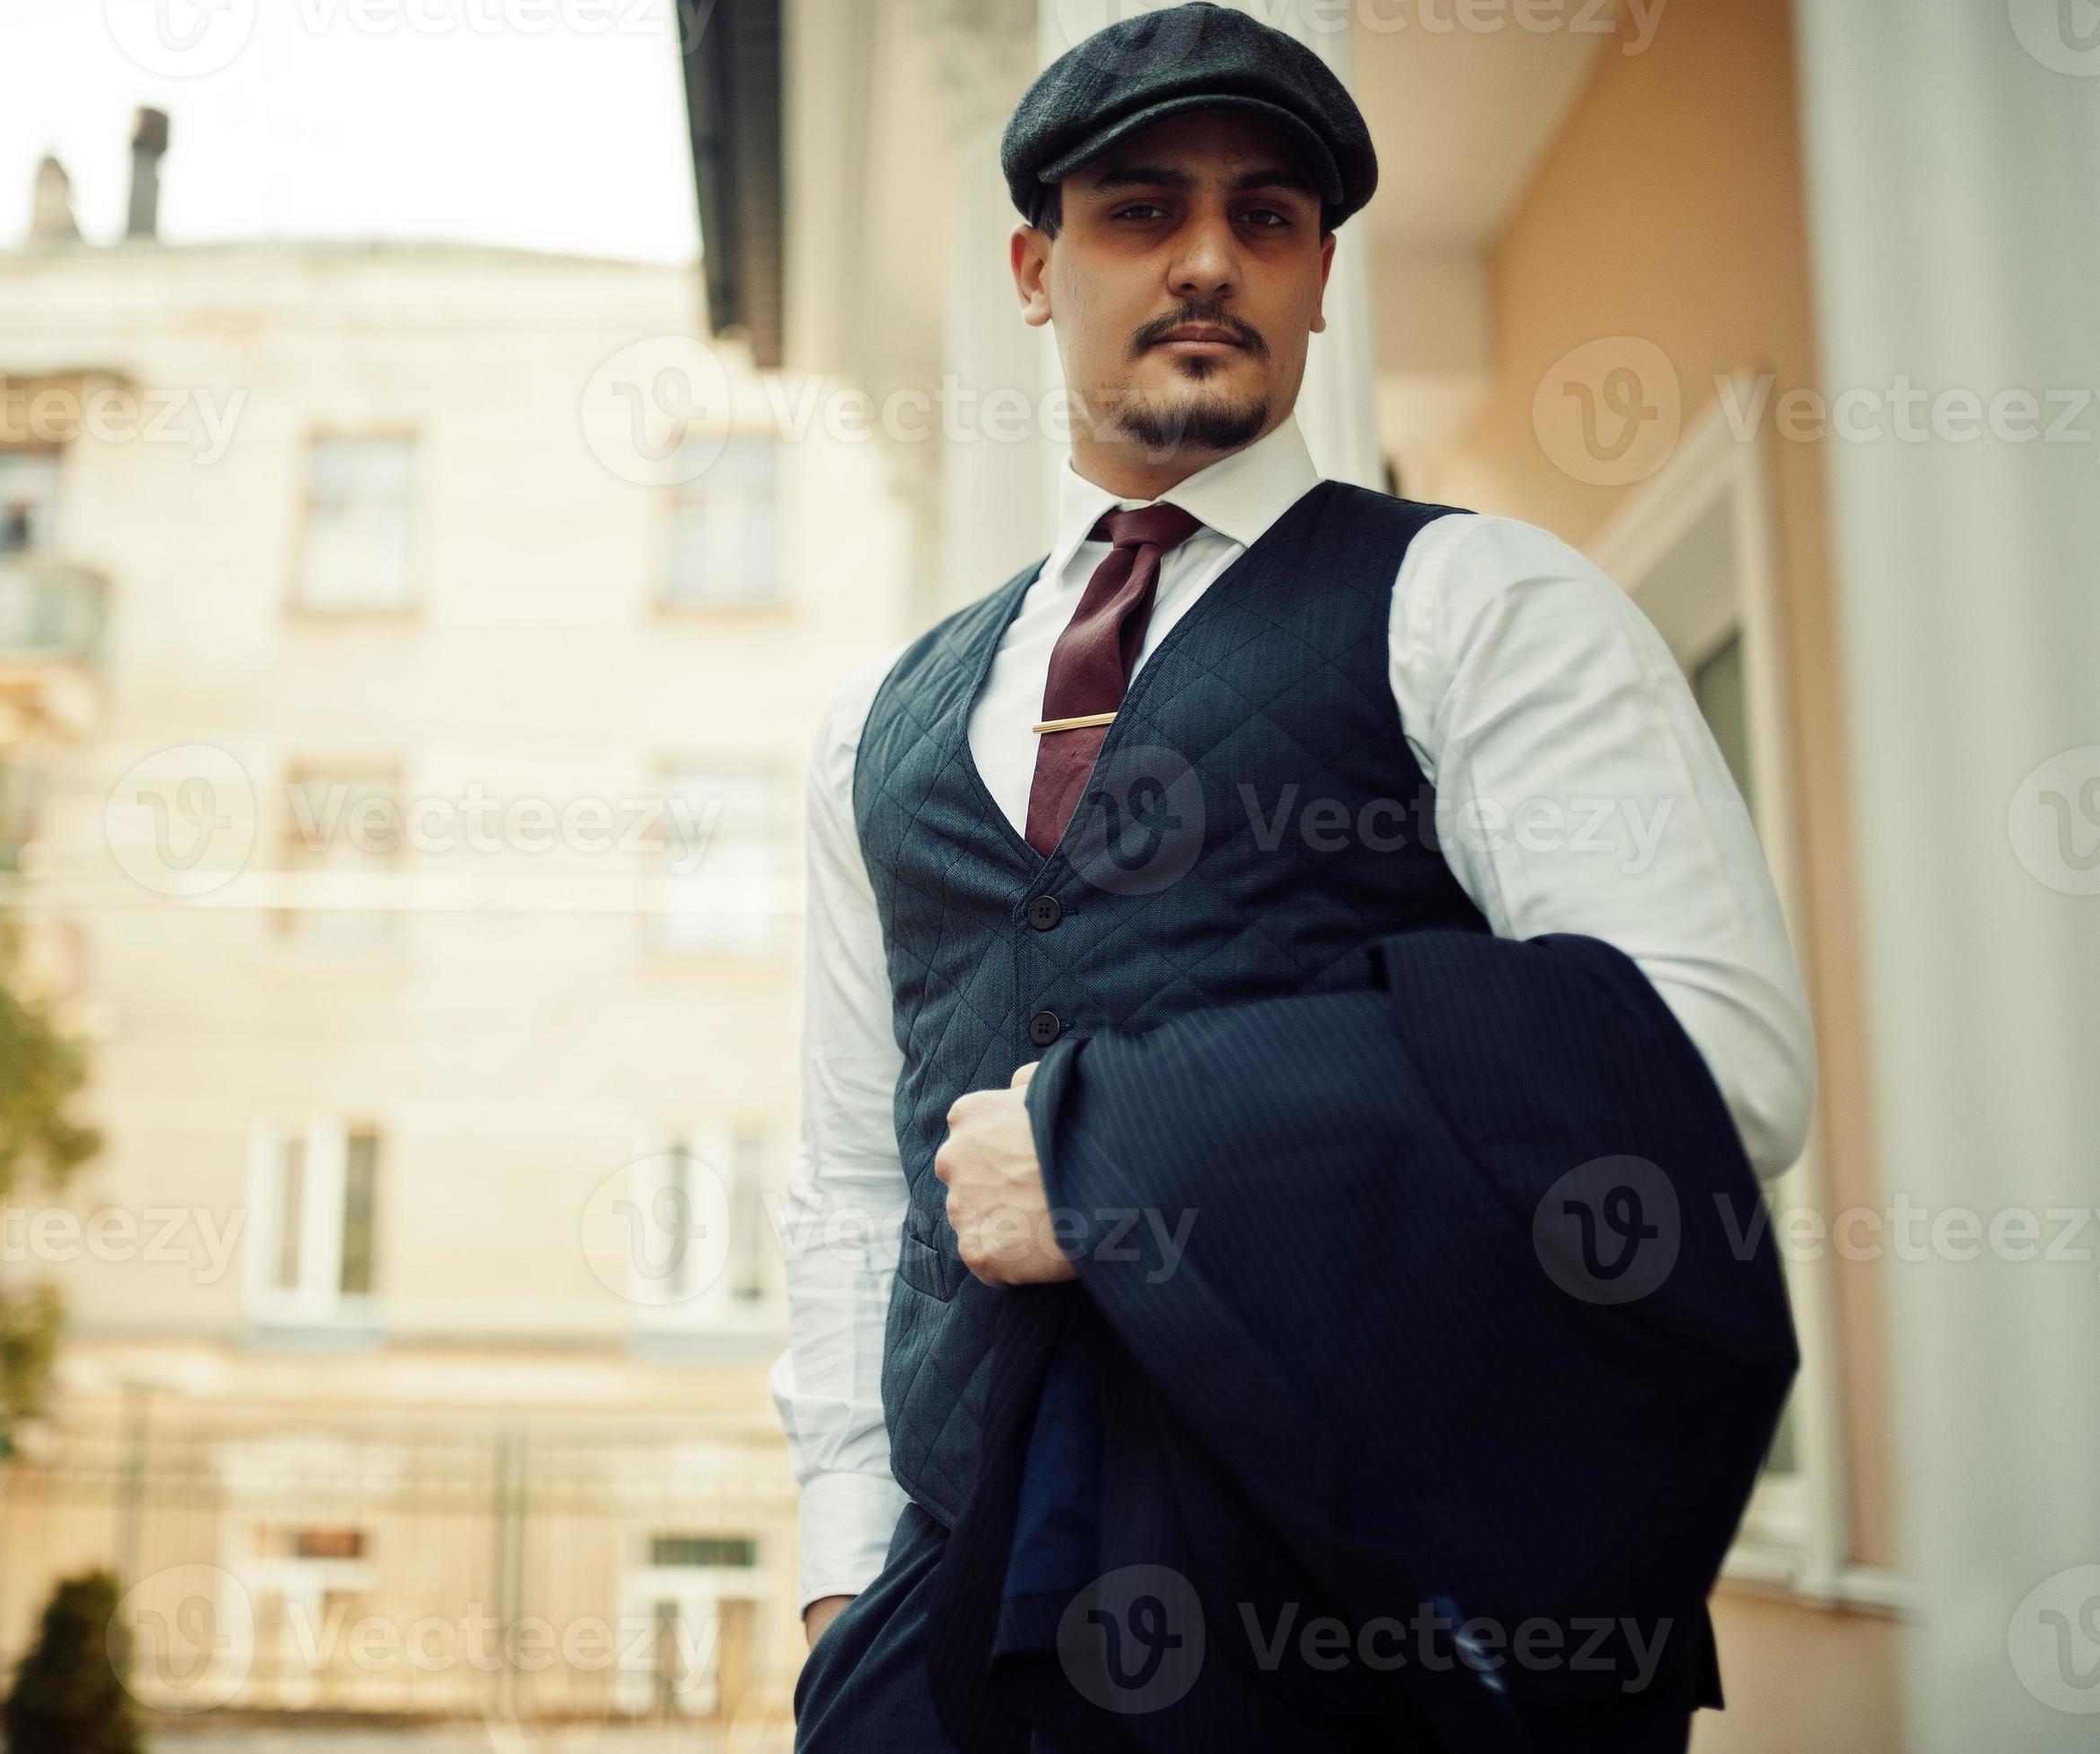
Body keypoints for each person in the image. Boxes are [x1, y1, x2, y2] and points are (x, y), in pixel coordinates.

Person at [769, 5, 1815, 1749]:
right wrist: (836, 1589)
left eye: (1267, 215)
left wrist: (1115, 1141)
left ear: (1324, 273)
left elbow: (1713, 1057)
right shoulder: (875, 723)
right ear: (1033, 267)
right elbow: (846, 1182)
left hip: (1368, 1627)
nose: (1204, 257)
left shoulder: (1483, 604)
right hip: (950, 1637)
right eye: (1138, 209)